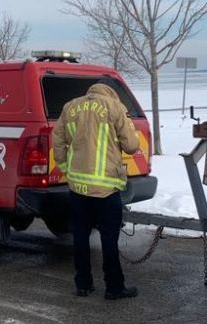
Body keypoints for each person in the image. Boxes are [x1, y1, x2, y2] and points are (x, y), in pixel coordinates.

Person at [52, 82, 140, 300]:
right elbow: (131, 146)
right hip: (105, 188)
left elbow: (58, 141)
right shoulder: (115, 107)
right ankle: (114, 287)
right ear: (110, 93)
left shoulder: (70, 107)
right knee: (109, 240)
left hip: (78, 187)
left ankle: (83, 284)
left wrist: (66, 170)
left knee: (80, 236)